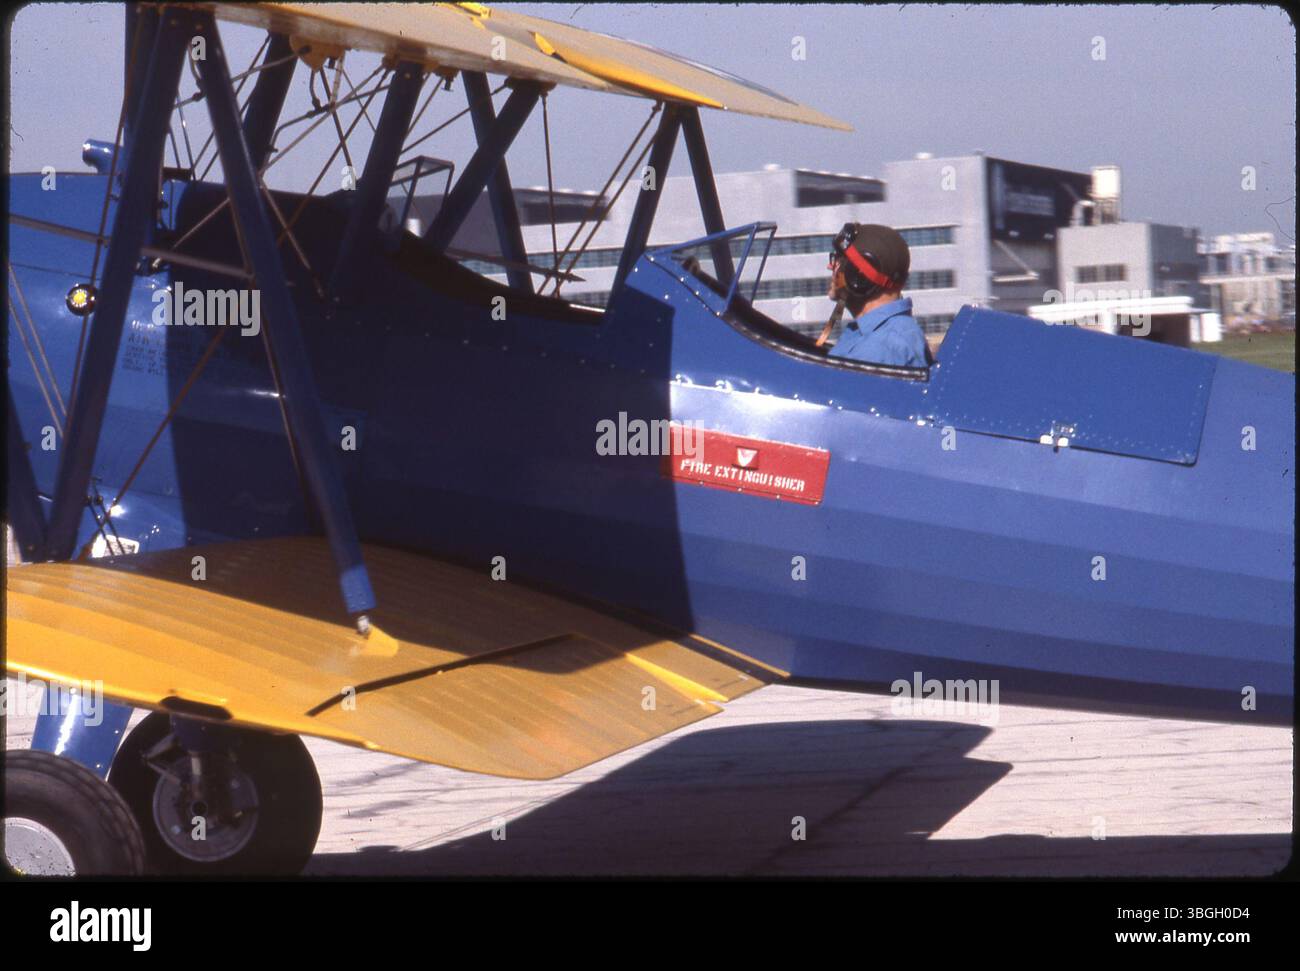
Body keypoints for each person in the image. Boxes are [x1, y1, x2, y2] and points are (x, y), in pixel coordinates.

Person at [825, 222, 929, 367]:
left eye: (838, 261)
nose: (830, 266)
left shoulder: (883, 347)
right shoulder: (878, 334)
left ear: (858, 276)